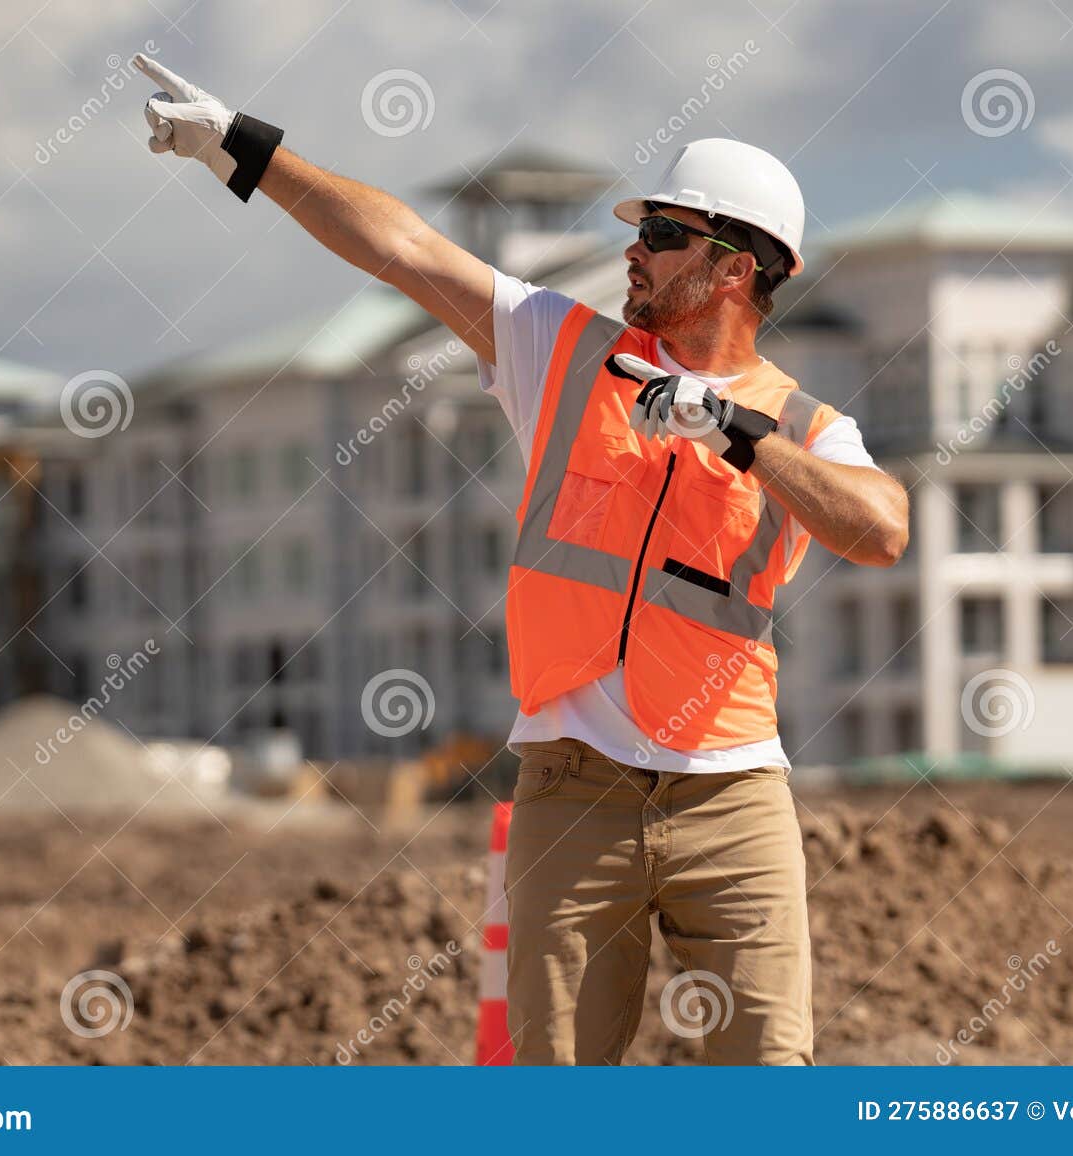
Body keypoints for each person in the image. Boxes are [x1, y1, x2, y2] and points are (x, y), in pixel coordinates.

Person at [134, 55, 909, 1064]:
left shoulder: (805, 424)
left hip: (732, 796)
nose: (633, 251)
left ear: (734, 268)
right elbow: (405, 249)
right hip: (571, 788)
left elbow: (881, 528)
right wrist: (241, 147)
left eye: (664, 236)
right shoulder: (563, 353)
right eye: (636, 229)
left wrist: (737, 433)